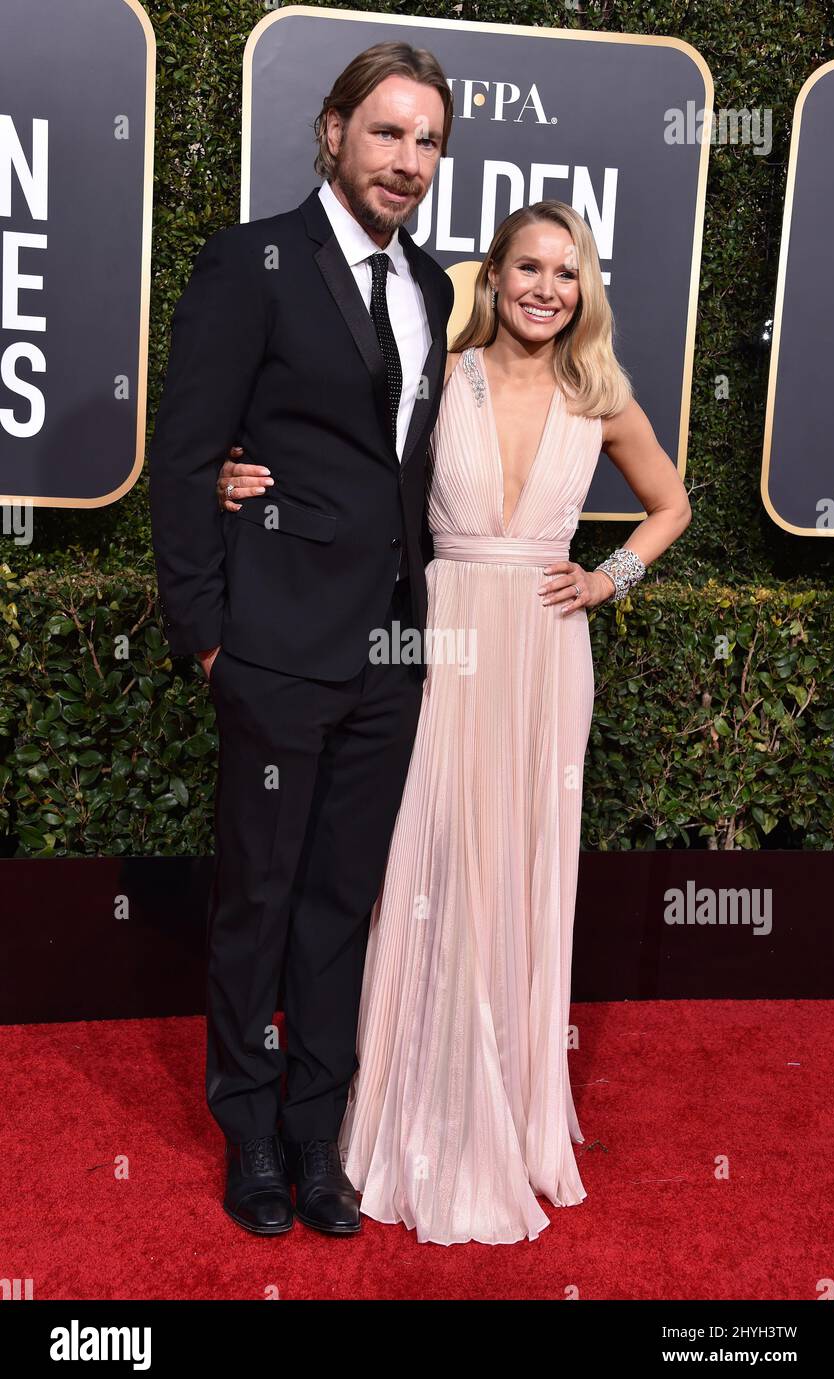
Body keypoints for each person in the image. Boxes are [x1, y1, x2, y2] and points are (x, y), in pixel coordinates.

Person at [217, 200, 692, 1243]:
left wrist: (608, 579)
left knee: (517, 874)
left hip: (544, 655)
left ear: (585, 290)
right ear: (496, 275)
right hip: (438, 645)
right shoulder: (441, 378)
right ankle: (388, 1112)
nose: (545, 289)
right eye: (528, 266)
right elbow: (344, 455)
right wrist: (241, 472)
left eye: (566, 274)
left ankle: (504, 1116)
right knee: (421, 874)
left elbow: (672, 505)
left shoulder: (600, 397)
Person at [148, 42, 455, 1237]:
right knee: (258, 903)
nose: (407, 161)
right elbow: (185, 458)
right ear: (332, 131)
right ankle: (251, 1136)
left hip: (387, 656)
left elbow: (405, 470)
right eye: (386, 133)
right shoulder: (252, 261)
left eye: (426, 141)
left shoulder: (431, 288)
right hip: (272, 651)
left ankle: (318, 1145)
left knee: (340, 905)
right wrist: (208, 638)